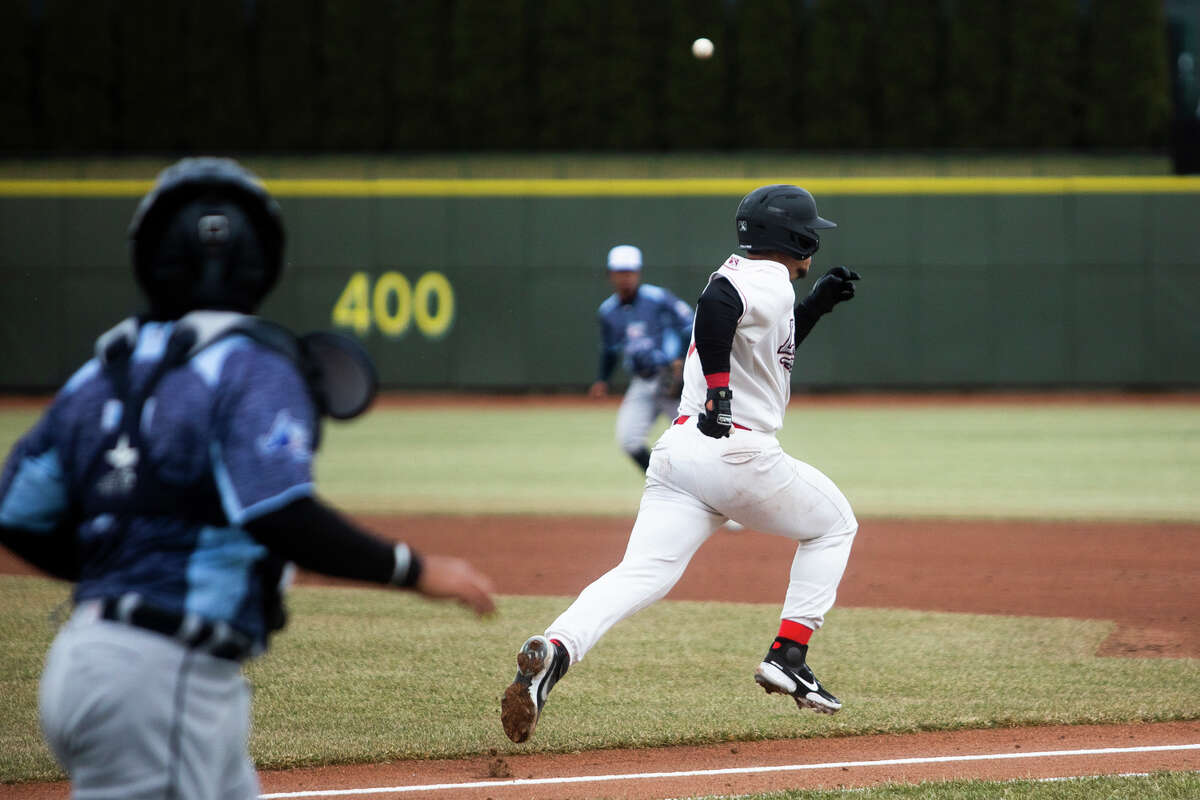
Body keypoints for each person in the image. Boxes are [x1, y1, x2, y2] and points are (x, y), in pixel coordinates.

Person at [0, 157, 495, 799]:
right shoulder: (249, 361)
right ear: (263, 260)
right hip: (163, 674)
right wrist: (415, 571)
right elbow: (278, 512)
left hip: (87, 661)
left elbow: (15, 513)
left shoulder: (99, 371)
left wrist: (114, 569)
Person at [502, 185, 861, 744]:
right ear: (796, 239)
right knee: (835, 525)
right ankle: (789, 654)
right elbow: (717, 306)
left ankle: (556, 649)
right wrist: (719, 391)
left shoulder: (759, 280)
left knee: (642, 572)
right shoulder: (762, 279)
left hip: (680, 454)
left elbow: (761, 348)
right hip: (735, 449)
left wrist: (815, 305)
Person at [588, 244, 694, 473]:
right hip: (642, 381)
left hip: (671, 380)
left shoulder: (658, 298)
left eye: (630, 272)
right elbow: (610, 350)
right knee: (629, 440)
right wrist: (602, 379)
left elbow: (690, 326)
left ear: (638, 273)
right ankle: (663, 482)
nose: (625, 277)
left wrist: (681, 360)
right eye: (620, 272)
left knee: (697, 439)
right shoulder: (608, 311)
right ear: (610, 275)